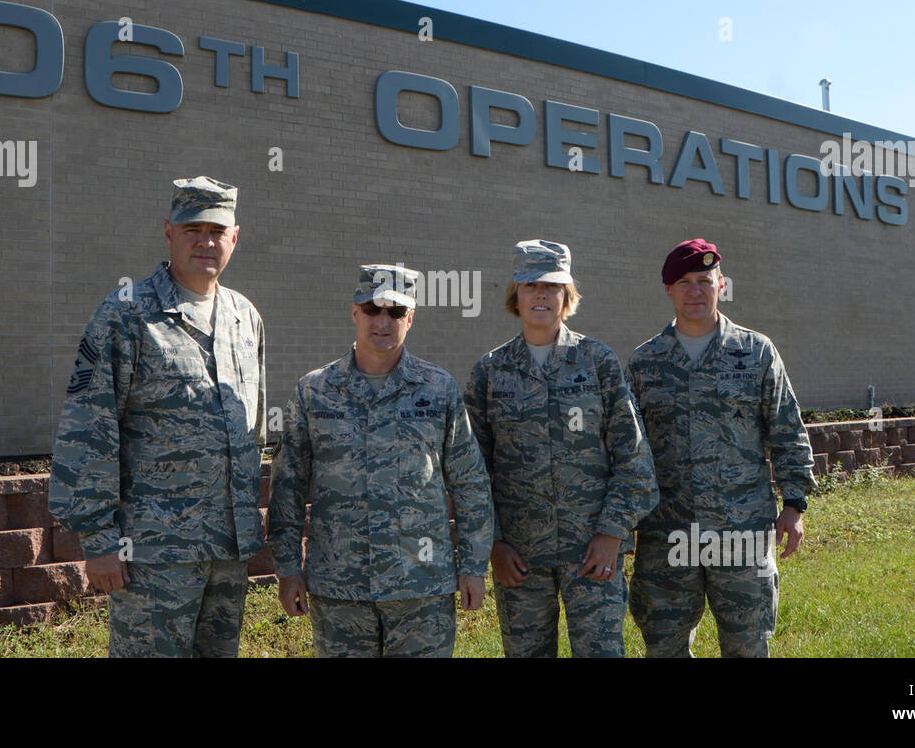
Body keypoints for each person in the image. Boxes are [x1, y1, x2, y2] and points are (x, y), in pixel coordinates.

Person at [49, 176, 266, 658]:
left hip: (227, 549)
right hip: (153, 551)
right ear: (169, 232)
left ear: (235, 237)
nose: (205, 241)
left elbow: (253, 431)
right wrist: (99, 537)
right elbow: (88, 425)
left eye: (217, 229)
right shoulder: (126, 313)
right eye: (193, 229)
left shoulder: (244, 317)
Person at [268, 263, 493, 658]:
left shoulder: (438, 390)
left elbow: (469, 482)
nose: (382, 321)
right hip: (340, 590)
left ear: (411, 317)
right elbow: (287, 486)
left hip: (421, 588)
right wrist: (288, 568)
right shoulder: (314, 392)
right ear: (355, 313)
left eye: (395, 311)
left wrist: (473, 565)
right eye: (372, 309)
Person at [464, 239, 658, 657]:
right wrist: (493, 543)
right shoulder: (490, 372)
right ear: (515, 294)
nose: (540, 294)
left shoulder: (597, 362)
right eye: (530, 284)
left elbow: (633, 457)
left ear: (567, 296)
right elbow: (472, 473)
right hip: (519, 558)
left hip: (592, 552)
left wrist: (612, 533)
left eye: (552, 286)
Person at [627, 238, 815, 658]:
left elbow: (785, 427)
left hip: (741, 528)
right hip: (667, 531)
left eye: (704, 281)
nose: (695, 291)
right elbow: (629, 450)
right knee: (664, 645)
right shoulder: (644, 362)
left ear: (721, 285)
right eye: (684, 283)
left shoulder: (756, 352)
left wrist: (795, 503)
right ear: (668, 290)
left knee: (747, 645)